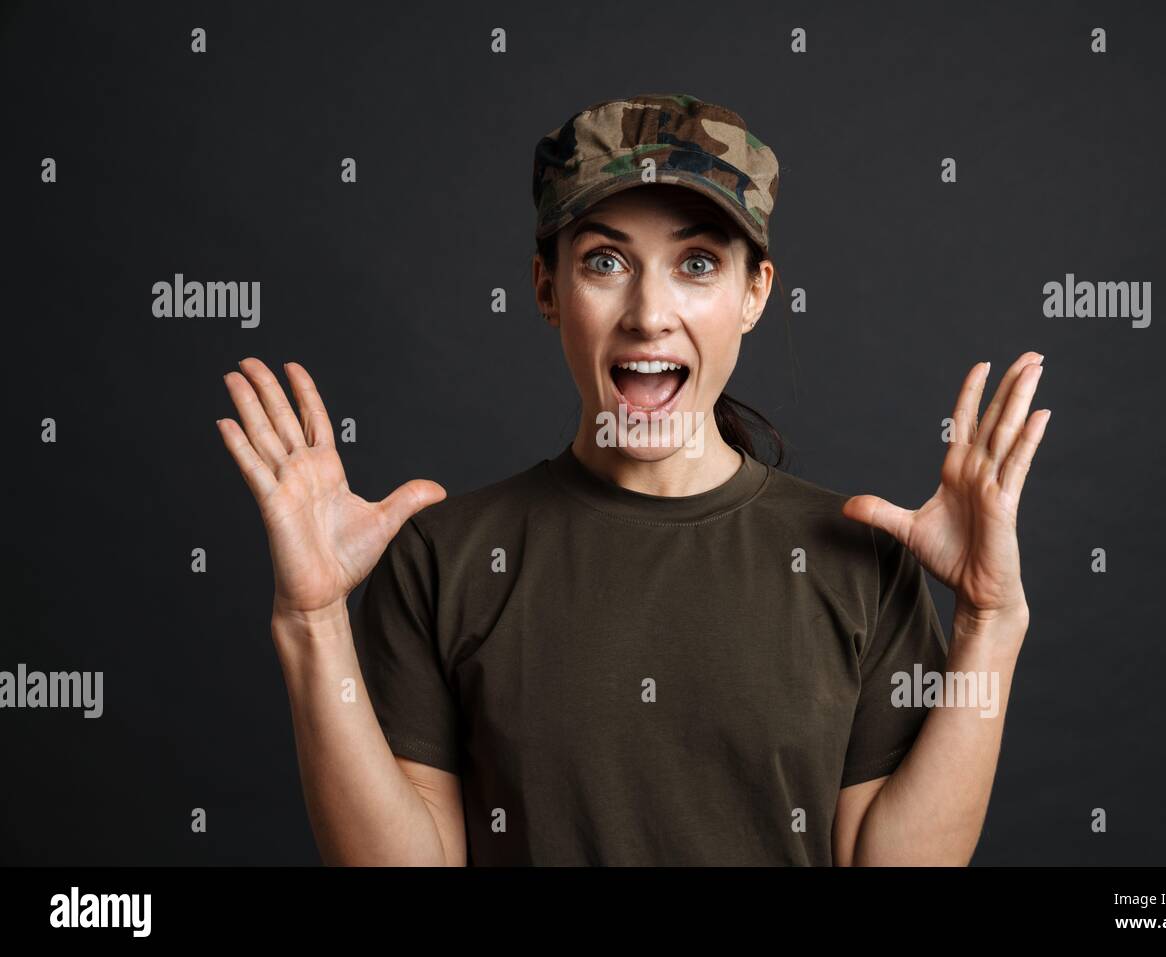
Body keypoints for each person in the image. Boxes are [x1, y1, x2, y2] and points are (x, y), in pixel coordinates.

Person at [214, 93, 1050, 866]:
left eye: (696, 264)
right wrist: (315, 620)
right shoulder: (444, 558)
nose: (650, 312)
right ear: (547, 287)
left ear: (754, 294)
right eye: (606, 262)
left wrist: (989, 621)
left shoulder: (857, 560)